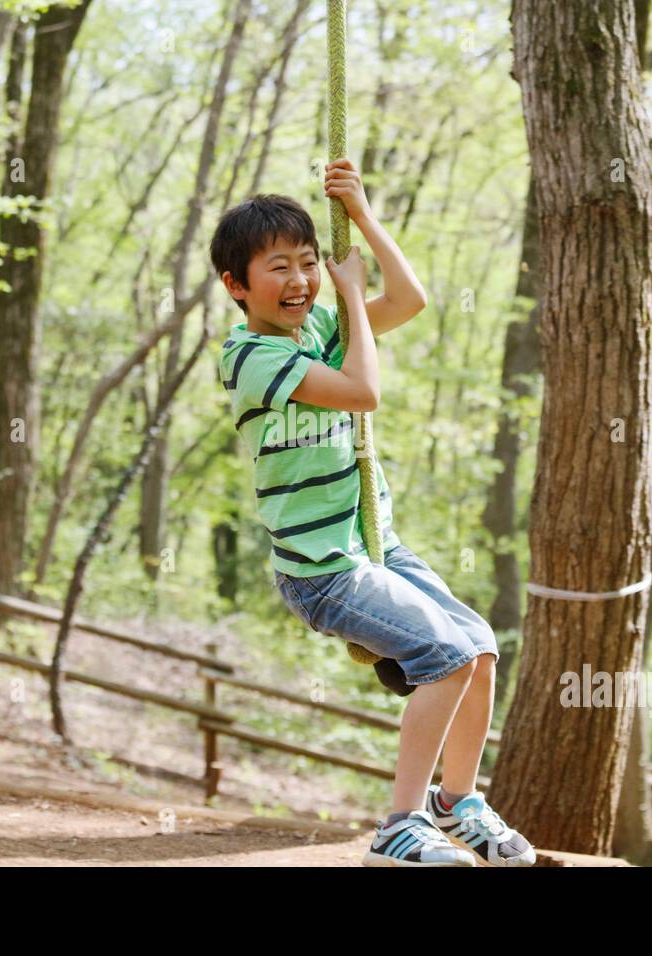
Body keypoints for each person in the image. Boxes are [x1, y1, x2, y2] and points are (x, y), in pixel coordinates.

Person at [207, 159, 536, 867]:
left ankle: (457, 802)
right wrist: (352, 299)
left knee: (478, 648)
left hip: (374, 543)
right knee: (444, 657)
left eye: (306, 263)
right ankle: (399, 824)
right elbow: (362, 390)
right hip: (322, 570)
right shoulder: (251, 357)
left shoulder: (317, 323)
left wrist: (360, 216)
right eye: (277, 268)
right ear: (237, 286)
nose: (299, 280)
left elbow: (410, 298)